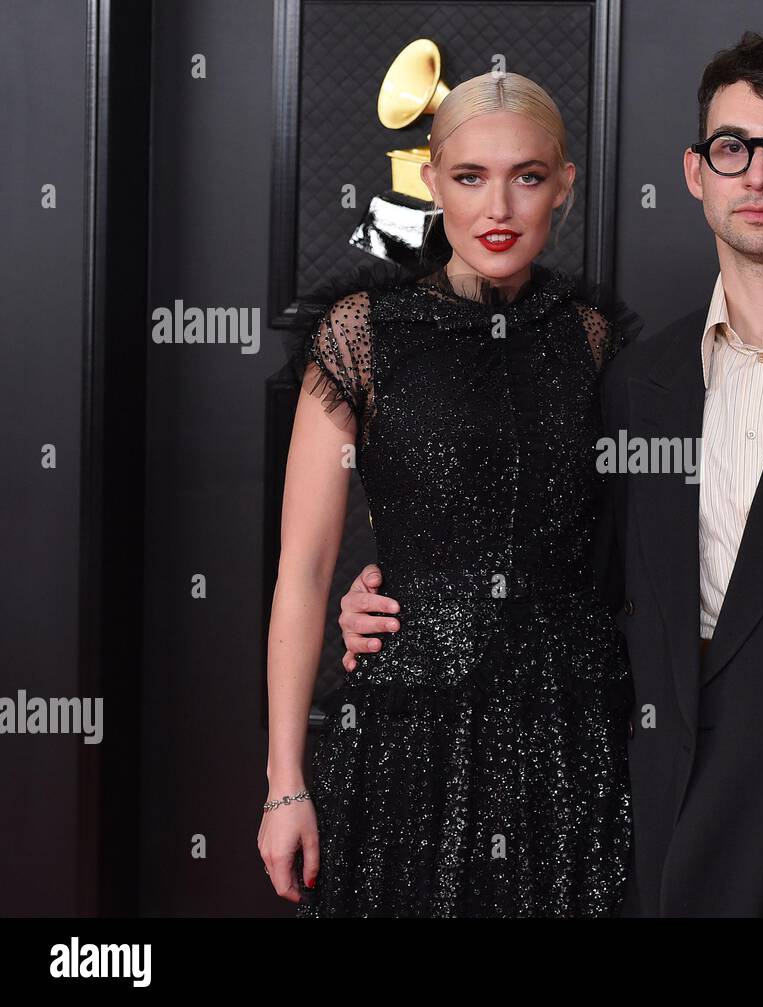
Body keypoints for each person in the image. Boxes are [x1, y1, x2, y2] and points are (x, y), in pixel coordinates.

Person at [341, 31, 763, 917]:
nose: (760, 175)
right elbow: (581, 584)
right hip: (667, 819)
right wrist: (414, 599)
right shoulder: (639, 379)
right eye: (732, 147)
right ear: (698, 173)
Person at [258, 70, 635, 917]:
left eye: (527, 176)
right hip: (407, 740)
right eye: (470, 177)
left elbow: (630, 554)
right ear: (432, 182)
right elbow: (305, 572)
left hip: (569, 740)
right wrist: (286, 782)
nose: (497, 207)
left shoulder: (594, 340)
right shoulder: (362, 334)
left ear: (563, 186)